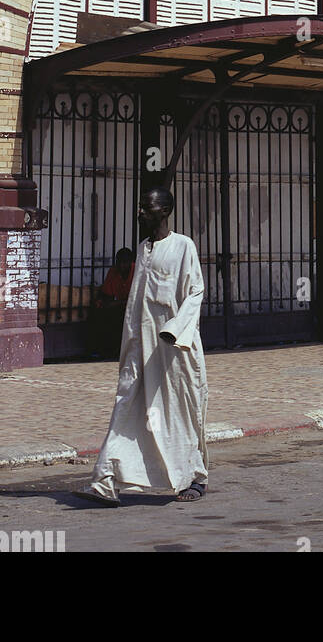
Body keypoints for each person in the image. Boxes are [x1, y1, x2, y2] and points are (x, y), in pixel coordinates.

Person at [87, 186, 208, 505]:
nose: (140, 212)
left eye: (146, 207)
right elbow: (136, 303)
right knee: (127, 407)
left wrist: (175, 330)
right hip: (140, 350)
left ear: (164, 211)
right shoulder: (142, 249)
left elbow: (195, 293)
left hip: (174, 352)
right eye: (140, 207)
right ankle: (106, 476)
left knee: (178, 413)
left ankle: (192, 475)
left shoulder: (184, 246)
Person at [86, 248, 135, 359]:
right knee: (97, 315)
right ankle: (97, 350)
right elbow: (106, 294)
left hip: (134, 308)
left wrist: (116, 303)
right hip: (120, 306)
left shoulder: (137, 271)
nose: (121, 265)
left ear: (130, 262)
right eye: (119, 262)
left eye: (124, 262)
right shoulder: (113, 271)